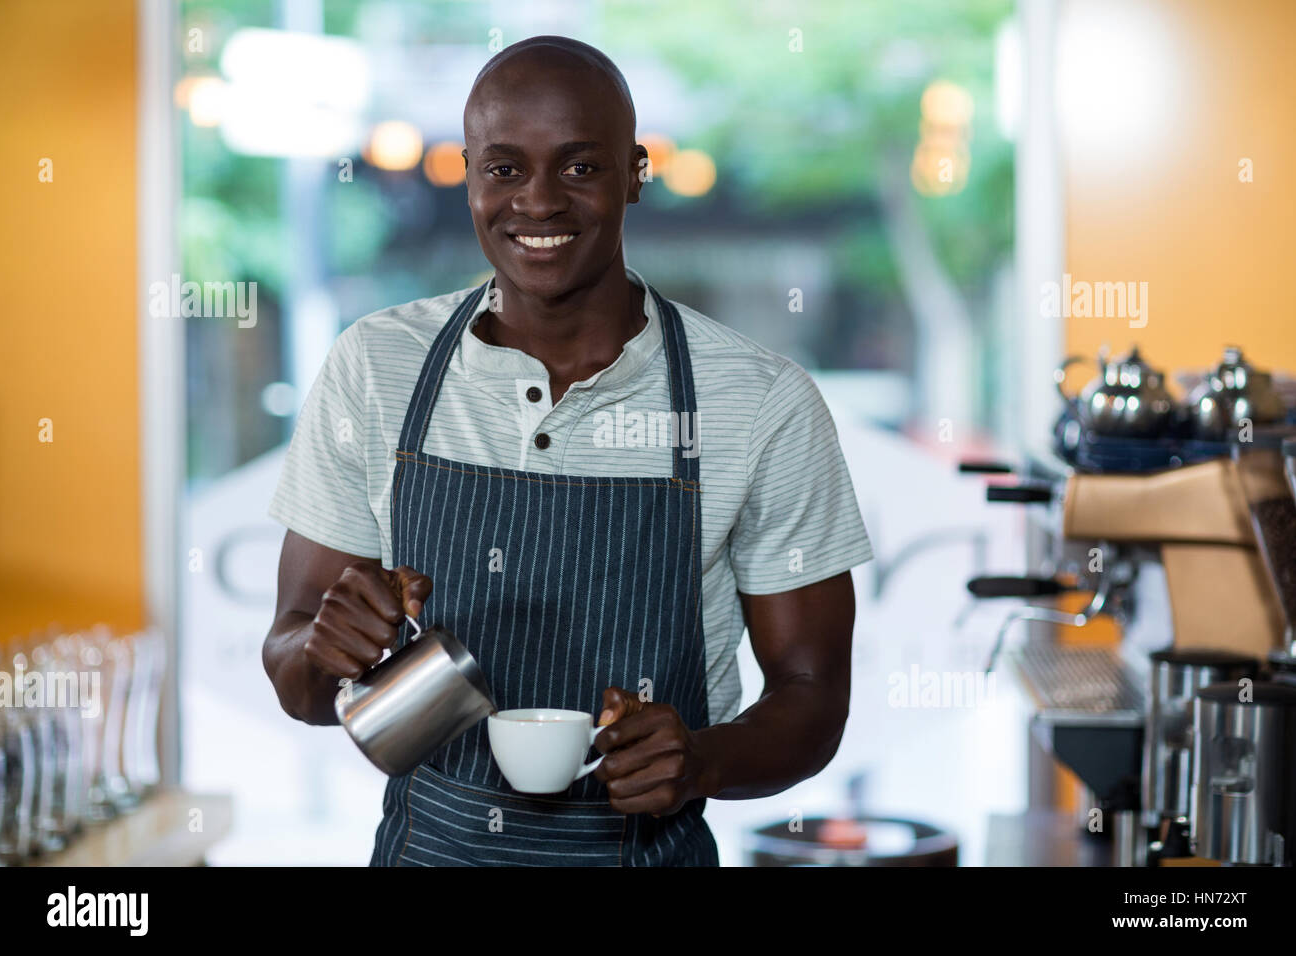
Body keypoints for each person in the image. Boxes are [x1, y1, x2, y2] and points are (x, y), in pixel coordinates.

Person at [263, 35, 871, 867]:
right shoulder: (375, 367)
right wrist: (324, 651)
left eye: (580, 167)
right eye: (504, 169)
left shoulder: (760, 403)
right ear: (470, 176)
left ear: (636, 173)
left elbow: (813, 699)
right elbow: (297, 678)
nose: (538, 202)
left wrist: (702, 761)